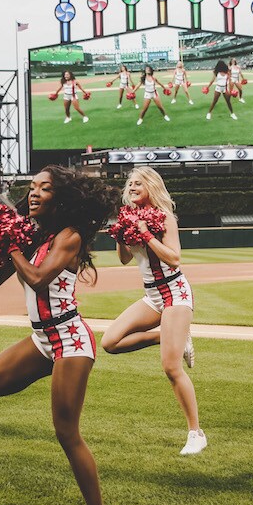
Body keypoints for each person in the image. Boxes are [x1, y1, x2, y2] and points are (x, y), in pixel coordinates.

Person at [0, 165, 121, 505]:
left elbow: (38, 279)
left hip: (70, 338)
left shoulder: (68, 237)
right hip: (43, 339)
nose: (34, 193)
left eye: (45, 188)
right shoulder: (36, 234)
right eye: (33, 187)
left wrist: (9, 246)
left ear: (62, 198)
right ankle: (53, 374)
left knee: (66, 432)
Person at [100, 167, 205, 454]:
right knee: (110, 342)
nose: (132, 186)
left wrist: (146, 235)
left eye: (138, 183)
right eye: (130, 183)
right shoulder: (128, 216)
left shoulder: (164, 216)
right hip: (152, 296)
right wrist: (121, 237)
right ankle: (169, 337)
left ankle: (196, 433)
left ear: (151, 186)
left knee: (171, 368)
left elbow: (174, 258)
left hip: (174, 292)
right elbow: (123, 260)